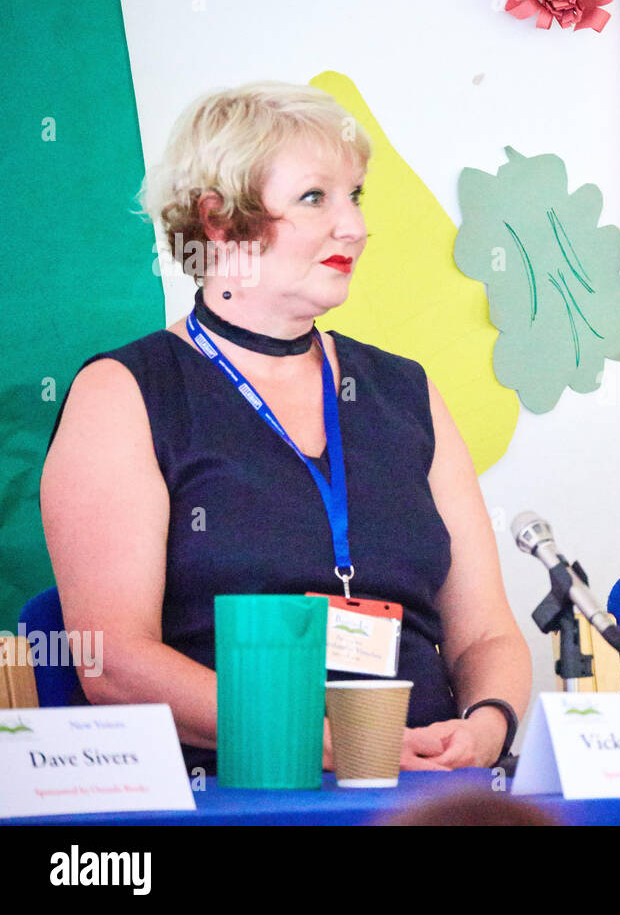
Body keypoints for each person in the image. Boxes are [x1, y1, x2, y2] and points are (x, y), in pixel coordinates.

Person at [40, 82, 531, 774]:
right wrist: (333, 740)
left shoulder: (406, 390)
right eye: (314, 198)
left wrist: (487, 726)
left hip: (427, 789)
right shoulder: (124, 393)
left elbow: (485, 634)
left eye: (354, 196)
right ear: (218, 219)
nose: (354, 227)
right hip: (241, 790)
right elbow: (112, 662)